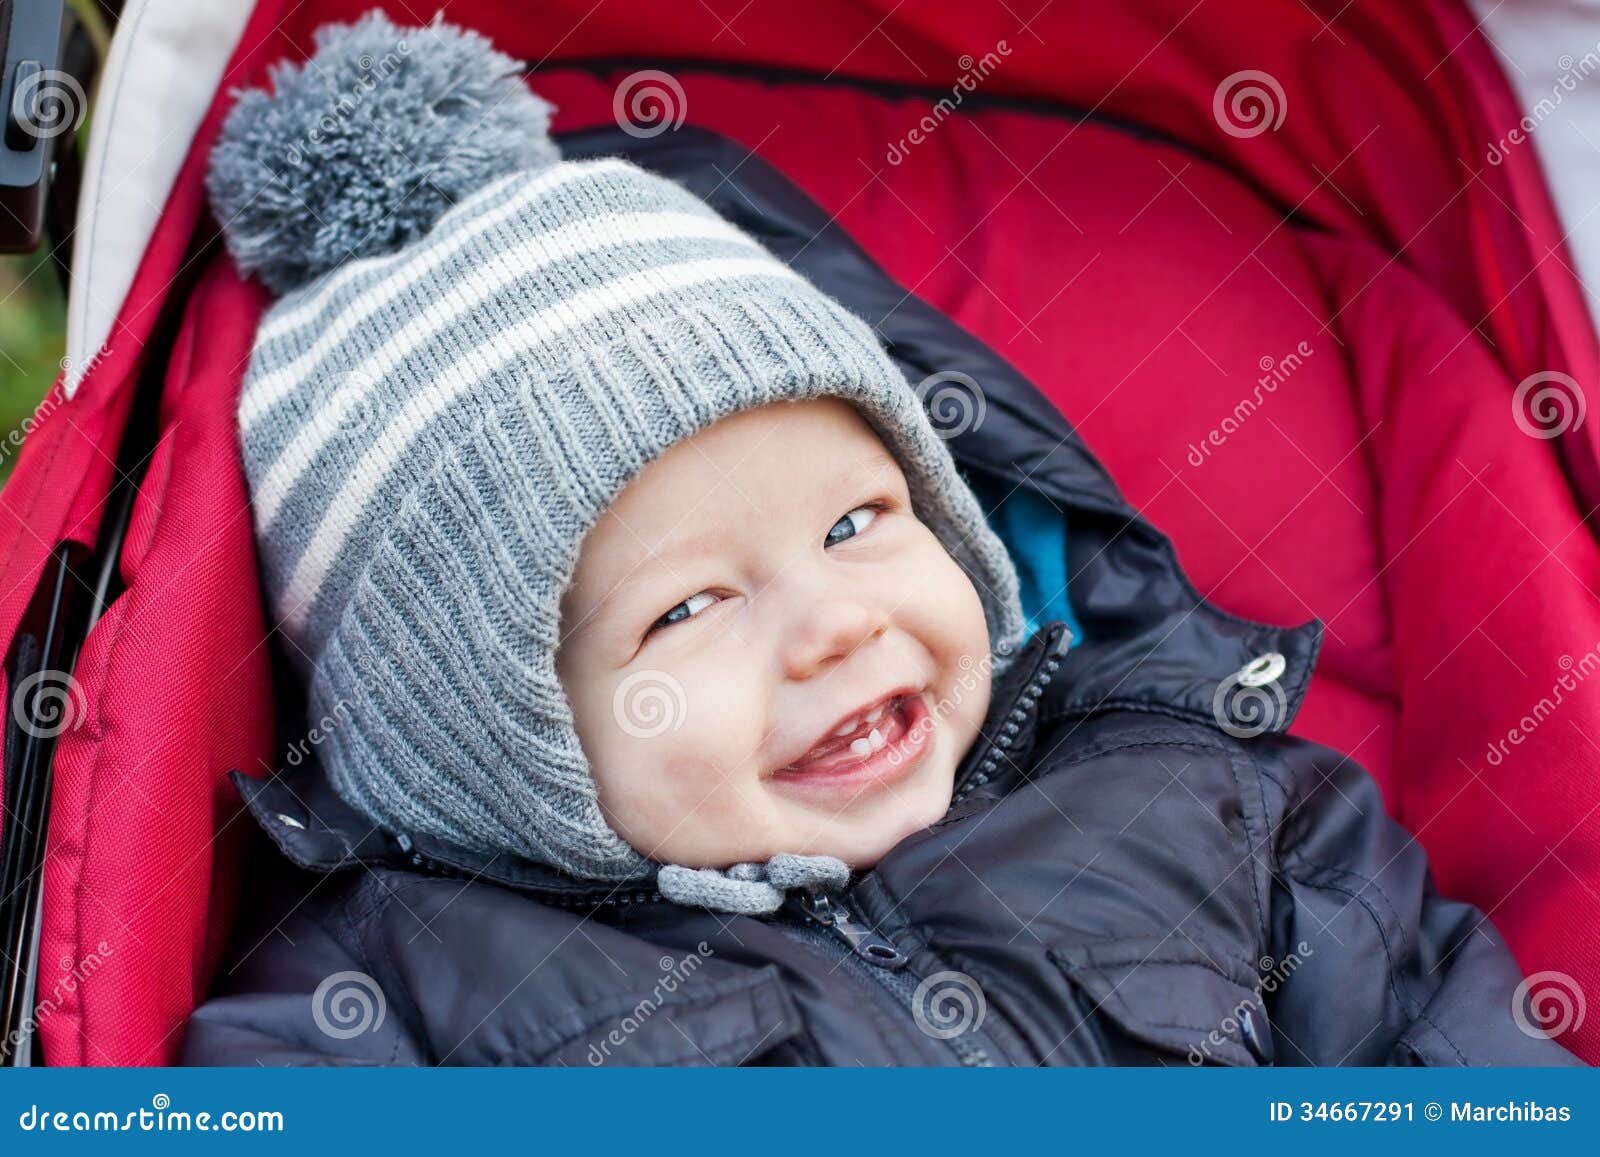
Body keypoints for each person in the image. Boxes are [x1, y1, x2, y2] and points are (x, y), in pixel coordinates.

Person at [180, 12, 1579, 1066]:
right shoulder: (397, 991)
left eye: (860, 521)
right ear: (481, 741)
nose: (839, 620)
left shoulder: (1213, 803)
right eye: (685, 609)